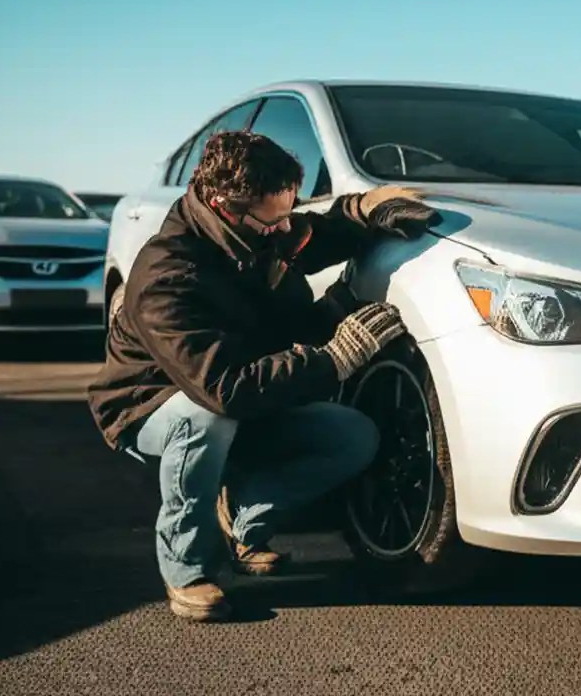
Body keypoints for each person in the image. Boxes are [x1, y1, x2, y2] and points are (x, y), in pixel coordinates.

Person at [86, 130, 436, 622]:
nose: (284, 228)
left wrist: (366, 212)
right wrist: (332, 358)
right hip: (152, 406)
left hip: (240, 398)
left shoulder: (258, 229)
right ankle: (187, 569)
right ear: (223, 205)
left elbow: (316, 234)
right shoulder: (166, 277)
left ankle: (244, 523)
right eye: (272, 220)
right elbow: (223, 390)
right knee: (205, 419)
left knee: (354, 436)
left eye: (287, 212)